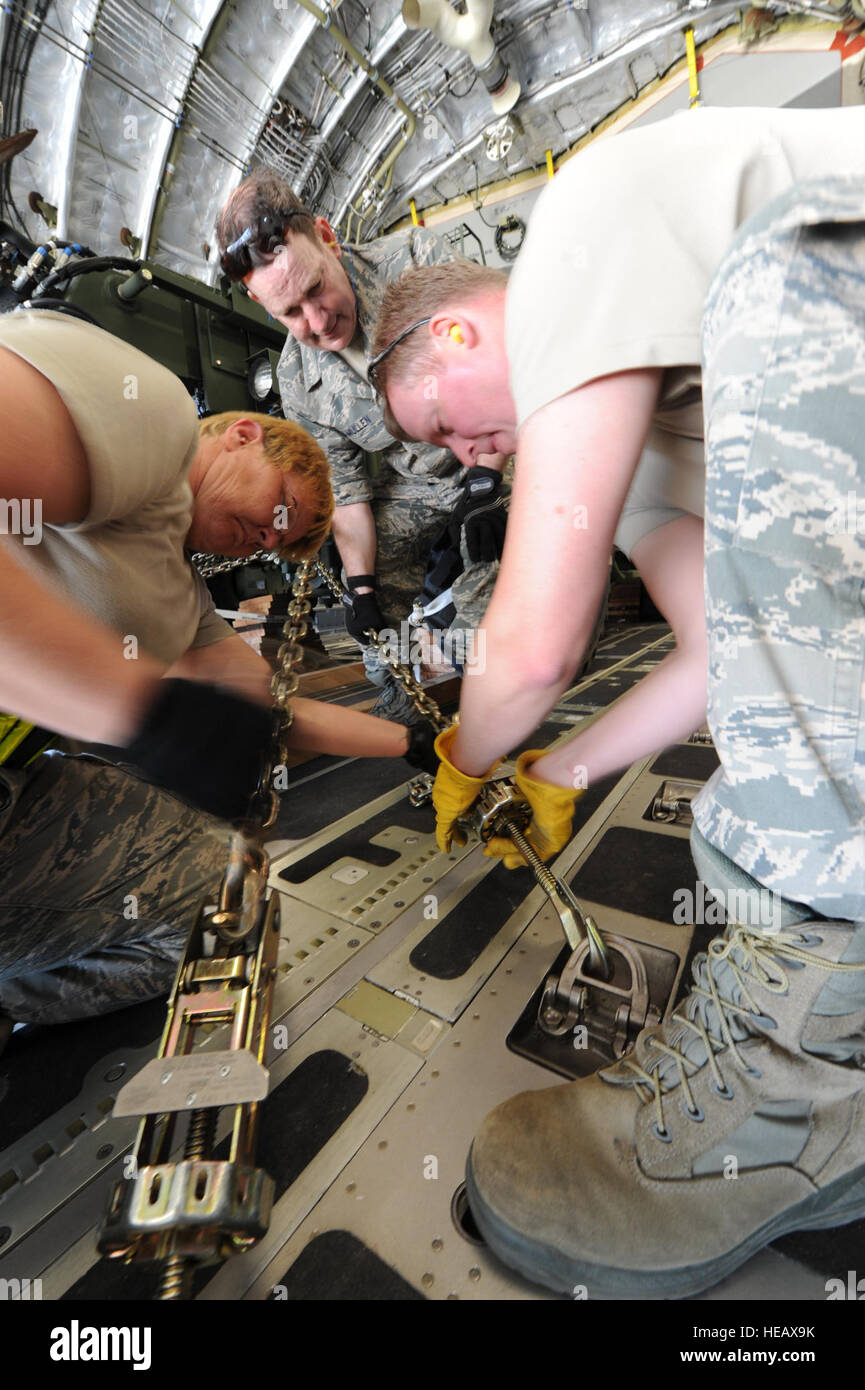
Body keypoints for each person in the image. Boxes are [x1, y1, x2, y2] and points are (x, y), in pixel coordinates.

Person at [370, 105, 865, 1297]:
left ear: (458, 325)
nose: (468, 460)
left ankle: (805, 1082)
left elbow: (531, 651)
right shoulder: (646, 453)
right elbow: (720, 650)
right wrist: (555, 771)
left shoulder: (578, 240)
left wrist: (468, 748)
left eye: (443, 423)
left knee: (783, 278)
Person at [0, 308, 434, 1041]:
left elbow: (275, 712)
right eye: (281, 508)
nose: (266, 536)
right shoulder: (155, 416)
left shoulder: (182, 605)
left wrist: (419, 746)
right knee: (224, 908)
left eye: (278, 542)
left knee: (226, 908)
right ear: (242, 433)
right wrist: (139, 713)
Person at [215, 172, 508, 720]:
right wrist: (365, 588)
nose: (319, 321)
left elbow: (500, 374)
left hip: (499, 453)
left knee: (484, 589)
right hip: (420, 482)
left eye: (316, 289)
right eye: (291, 313)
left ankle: (492, 695)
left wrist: (486, 484)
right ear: (261, 305)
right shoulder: (298, 380)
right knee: (376, 606)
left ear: (327, 236)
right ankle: (410, 716)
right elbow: (347, 492)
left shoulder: (416, 262)